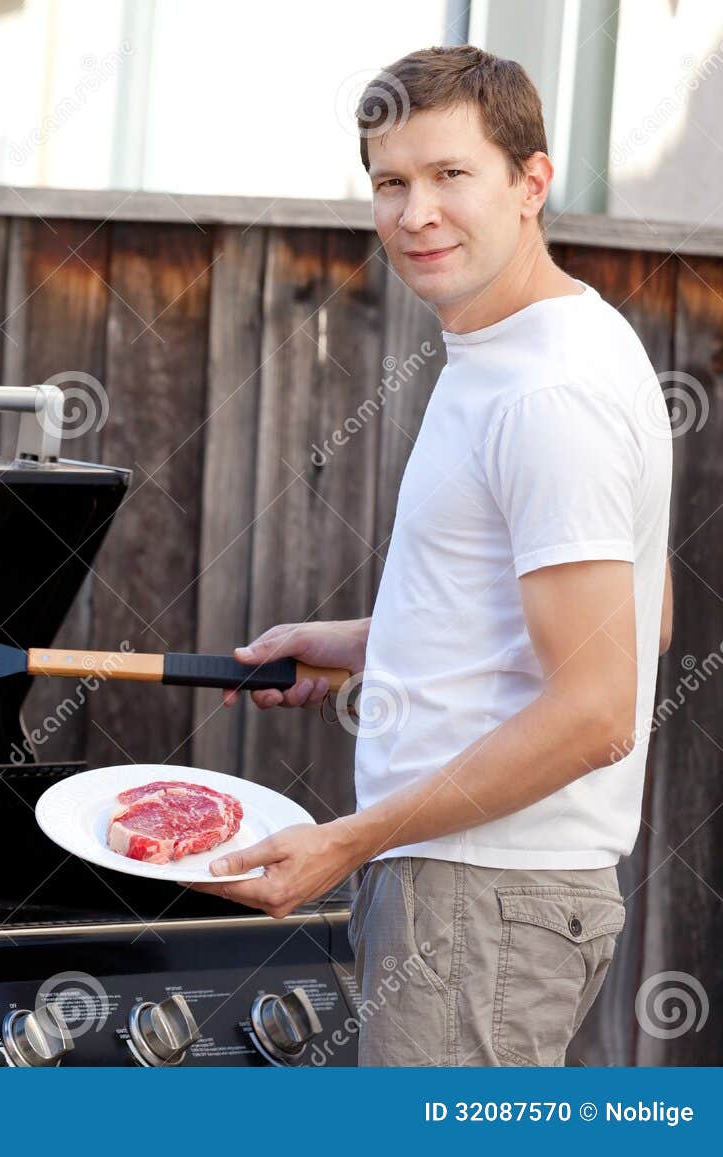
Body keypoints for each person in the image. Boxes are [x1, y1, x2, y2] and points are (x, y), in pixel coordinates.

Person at [189, 45, 674, 1067]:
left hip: (477, 896)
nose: (417, 214)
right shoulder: (540, 346)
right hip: (475, 895)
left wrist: (346, 841)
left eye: (451, 174)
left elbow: (597, 711)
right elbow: (643, 613)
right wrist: (376, 643)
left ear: (531, 182)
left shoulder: (550, 390)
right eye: (390, 182)